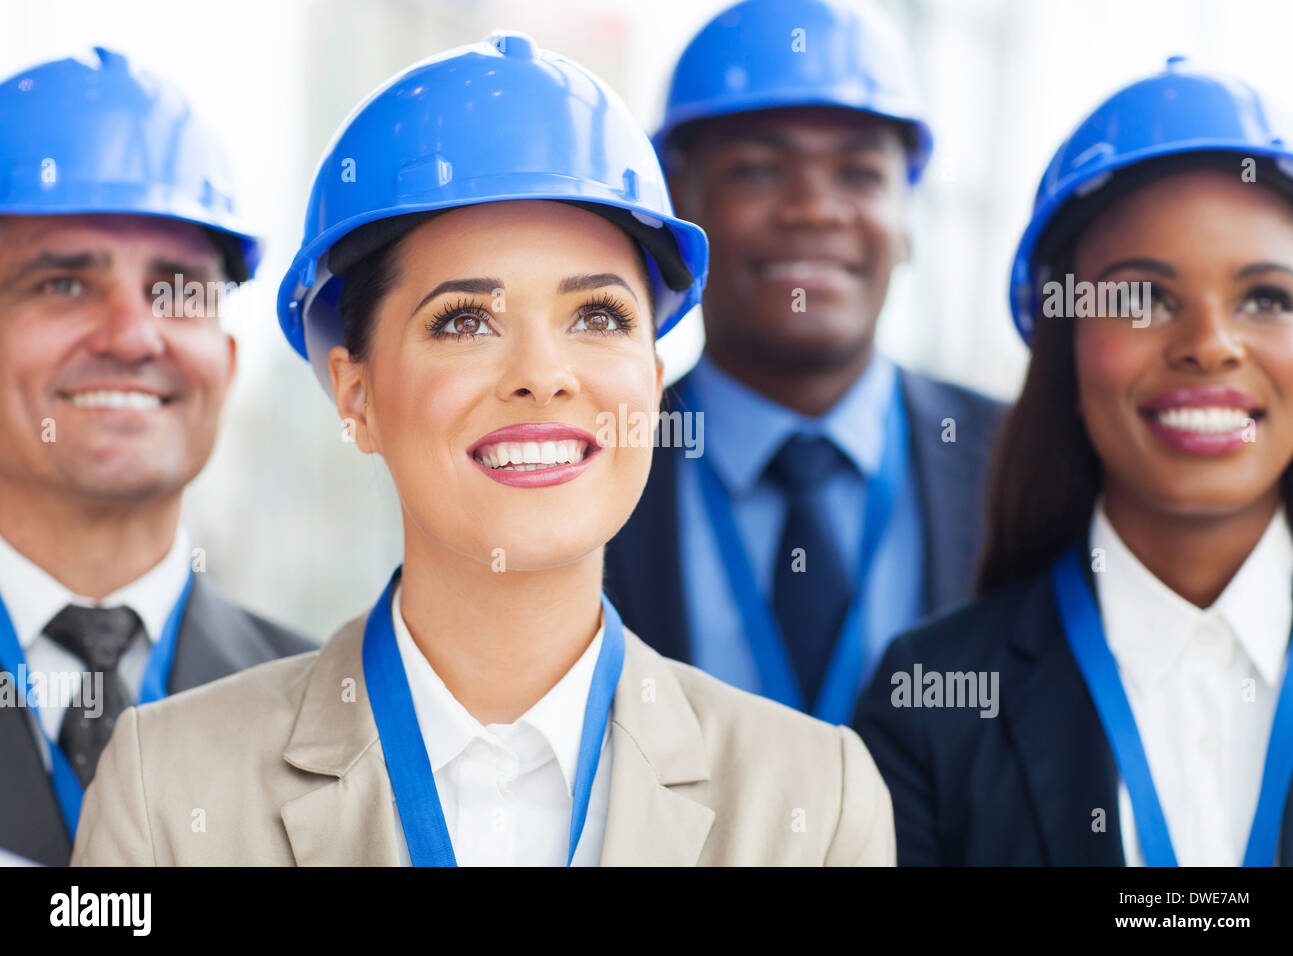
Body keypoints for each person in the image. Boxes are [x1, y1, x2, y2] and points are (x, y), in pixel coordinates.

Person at [71, 33, 894, 867]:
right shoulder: (166, 791)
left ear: (650, 381)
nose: (542, 375)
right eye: (465, 320)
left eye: (598, 316)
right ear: (356, 394)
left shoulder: (815, 802)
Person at [855, 58, 1293, 865]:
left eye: (1267, 298)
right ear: (1064, 345)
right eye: (1140, 298)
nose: (1209, 346)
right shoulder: (928, 698)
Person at [604, 0, 1005, 726]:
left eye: (859, 174)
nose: (815, 210)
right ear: (680, 210)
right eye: (758, 170)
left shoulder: (1014, 460)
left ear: (906, 220)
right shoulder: (591, 461)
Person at [0, 47, 315, 867]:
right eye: (63, 284)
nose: (135, 336)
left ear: (228, 361)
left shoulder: (339, 710)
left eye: (177, 288)